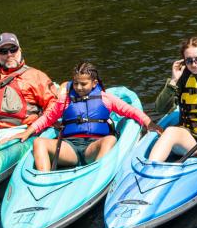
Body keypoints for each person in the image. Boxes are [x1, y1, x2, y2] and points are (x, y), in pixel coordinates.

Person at [20, 61, 154, 172]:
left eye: (83, 84)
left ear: (94, 83)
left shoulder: (105, 98)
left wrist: (149, 123)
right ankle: (44, 180)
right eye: (76, 83)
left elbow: (131, 111)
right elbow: (46, 118)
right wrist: (28, 131)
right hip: (70, 147)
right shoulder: (65, 100)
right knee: (39, 142)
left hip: (93, 148)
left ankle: (97, 174)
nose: (78, 87)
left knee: (110, 140)